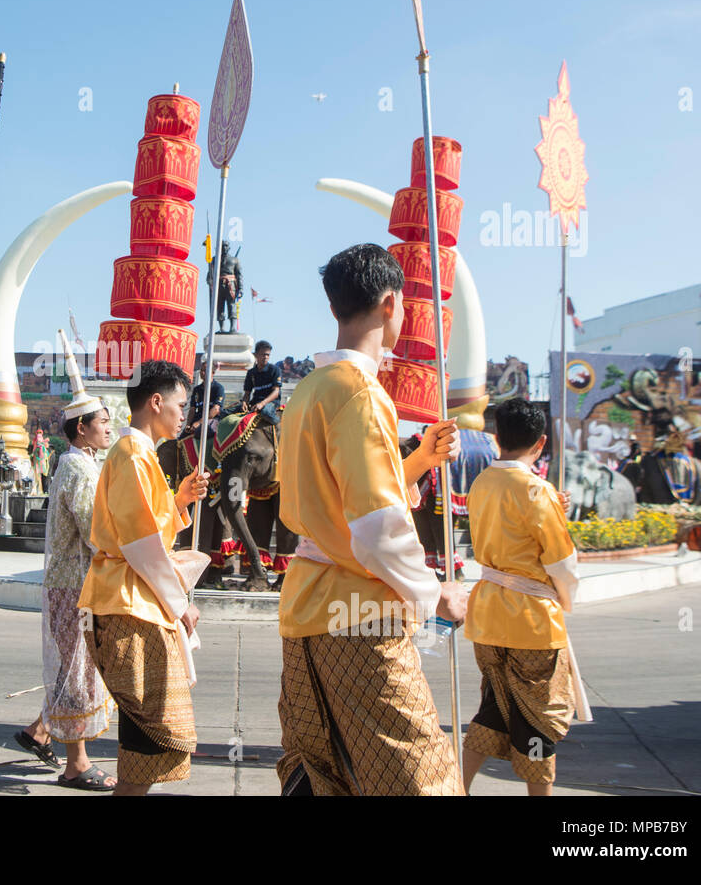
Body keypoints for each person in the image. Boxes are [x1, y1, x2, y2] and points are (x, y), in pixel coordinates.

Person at [276, 243, 466, 796]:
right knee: (419, 780)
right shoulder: (360, 392)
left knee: (326, 774)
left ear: (335, 307)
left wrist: (422, 459)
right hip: (358, 616)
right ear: (390, 304)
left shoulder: (308, 391)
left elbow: (340, 500)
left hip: (308, 610)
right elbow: (377, 524)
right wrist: (434, 594)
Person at [78, 359, 209, 795]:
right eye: (180, 403)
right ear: (156, 402)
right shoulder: (132, 455)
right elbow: (141, 546)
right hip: (128, 604)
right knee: (147, 737)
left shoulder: (141, 455)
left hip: (136, 603)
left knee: (146, 740)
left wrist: (180, 499)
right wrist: (180, 603)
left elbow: (149, 528)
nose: (184, 413)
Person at [461, 398, 589, 795]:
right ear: (542, 442)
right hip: (530, 620)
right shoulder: (538, 489)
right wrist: (566, 598)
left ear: (497, 437)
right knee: (537, 720)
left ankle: (455, 788)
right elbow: (562, 563)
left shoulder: (481, 481)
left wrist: (551, 502)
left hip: (486, 615)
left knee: (494, 709)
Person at [18, 333, 116, 790]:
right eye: (102, 420)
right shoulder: (78, 468)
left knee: (73, 665)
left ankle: (40, 731)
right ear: (82, 429)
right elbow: (96, 528)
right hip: (76, 584)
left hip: (72, 581)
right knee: (77, 670)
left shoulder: (80, 463)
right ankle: (76, 764)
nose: (109, 426)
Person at [241, 339, 283, 426]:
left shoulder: (275, 370)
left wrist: (262, 403)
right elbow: (247, 393)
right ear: (256, 355)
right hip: (255, 402)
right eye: (263, 354)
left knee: (266, 412)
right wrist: (244, 402)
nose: (266, 357)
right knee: (227, 412)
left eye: (268, 355)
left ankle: (281, 427)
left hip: (271, 403)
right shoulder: (251, 373)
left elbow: (276, 392)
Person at [183, 356, 224, 438]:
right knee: (181, 439)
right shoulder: (196, 389)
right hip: (196, 420)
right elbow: (192, 409)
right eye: (201, 370)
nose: (202, 373)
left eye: (205, 371)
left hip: (211, 421)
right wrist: (188, 424)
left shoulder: (218, 388)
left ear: (213, 372)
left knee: (199, 433)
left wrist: (199, 422)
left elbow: (215, 409)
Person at [208, 240, 242, 333]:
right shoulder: (214, 260)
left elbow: (239, 275)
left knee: (231, 305)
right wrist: (210, 283)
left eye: (226, 246)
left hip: (230, 285)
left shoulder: (234, 260)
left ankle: (232, 327)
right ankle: (221, 328)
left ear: (229, 247)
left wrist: (241, 289)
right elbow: (210, 275)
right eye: (222, 246)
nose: (224, 248)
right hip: (218, 286)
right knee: (220, 306)